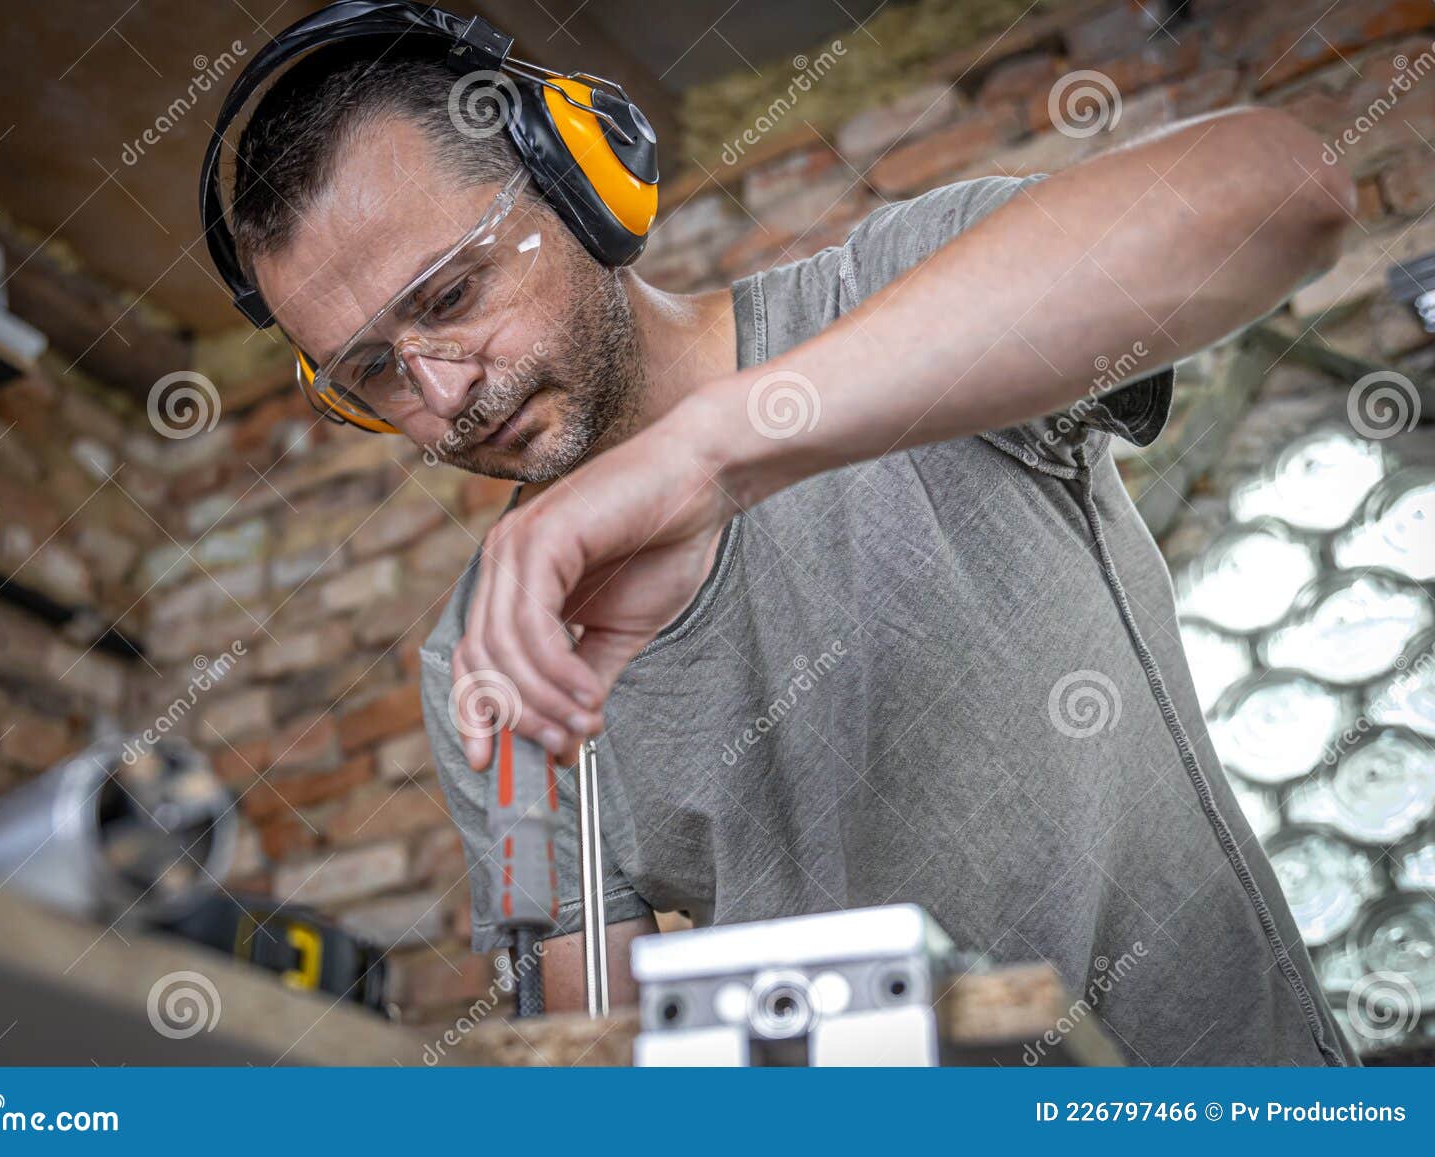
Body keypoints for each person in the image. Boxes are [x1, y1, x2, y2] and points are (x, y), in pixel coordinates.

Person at [222, 26, 1357, 1064]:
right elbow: (597, 1059)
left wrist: (717, 452)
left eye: (453, 292)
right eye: (374, 372)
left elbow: (1282, 191)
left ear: (575, 179)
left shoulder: (896, 289)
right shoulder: (490, 643)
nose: (445, 393)